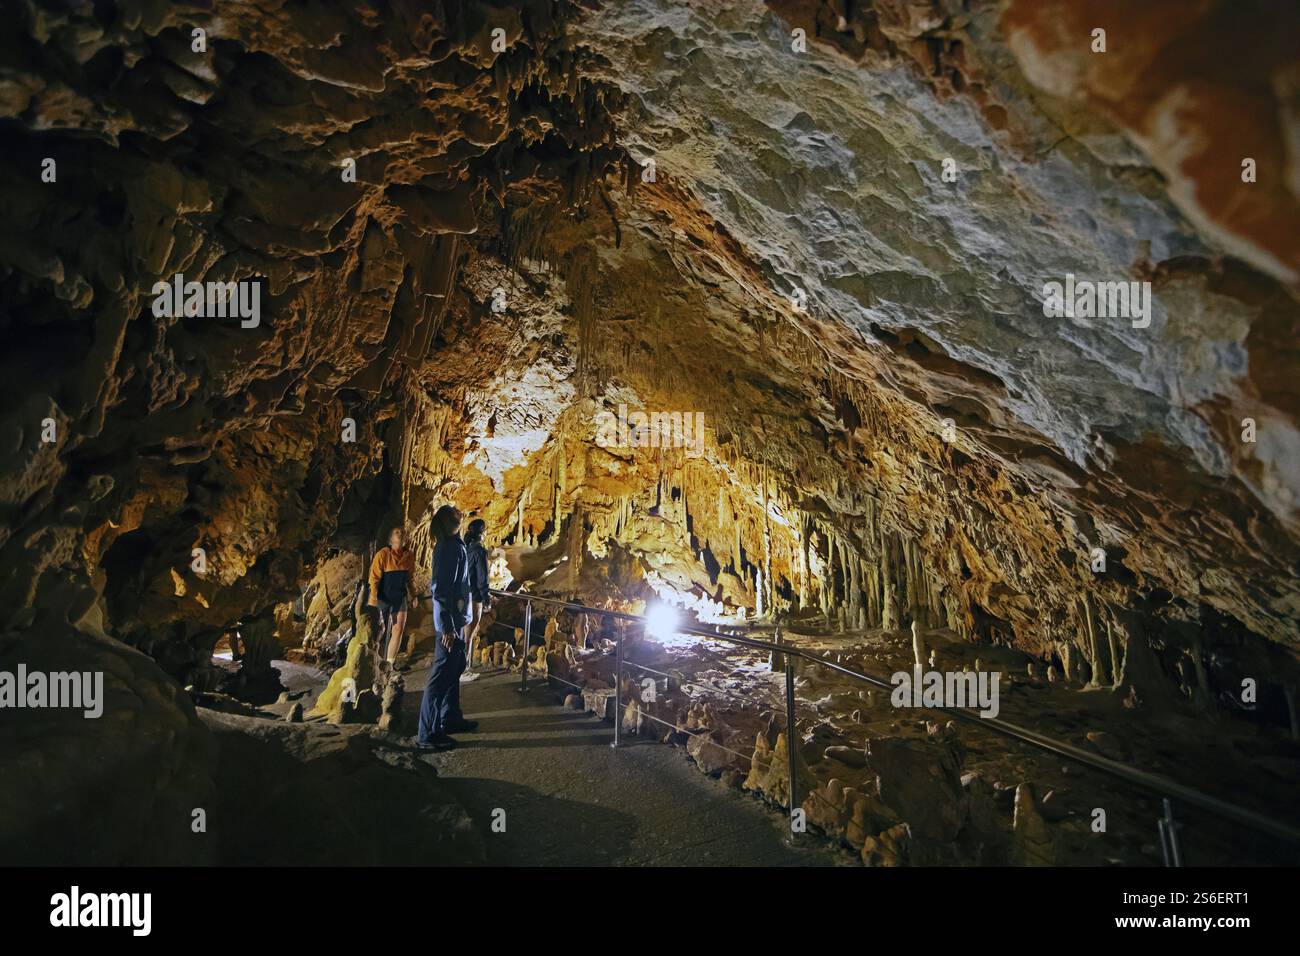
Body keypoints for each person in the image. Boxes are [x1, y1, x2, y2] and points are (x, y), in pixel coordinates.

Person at [417, 505, 477, 749]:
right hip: (450, 624)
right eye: (455, 512)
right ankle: (428, 733)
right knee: (442, 675)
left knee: (454, 669)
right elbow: (440, 590)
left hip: (458, 619)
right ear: (447, 521)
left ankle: (450, 717)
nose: (460, 512)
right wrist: (448, 627)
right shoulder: (447, 549)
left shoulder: (455, 545)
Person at [368, 526, 415, 664]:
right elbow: (374, 579)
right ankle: (374, 663)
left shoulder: (409, 556)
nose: (399, 535)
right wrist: (373, 601)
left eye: (401, 534)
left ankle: (389, 664)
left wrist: (414, 595)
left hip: (399, 597)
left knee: (398, 629)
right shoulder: (382, 555)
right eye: (396, 534)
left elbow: (410, 579)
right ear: (391, 541)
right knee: (379, 632)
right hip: (382, 597)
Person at [463, 518, 491, 679]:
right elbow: (482, 577)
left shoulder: (466, 548)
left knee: (463, 632)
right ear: (481, 533)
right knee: (469, 633)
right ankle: (463, 669)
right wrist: (486, 597)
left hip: (463, 594)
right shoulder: (479, 550)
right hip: (474, 596)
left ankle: (461, 667)